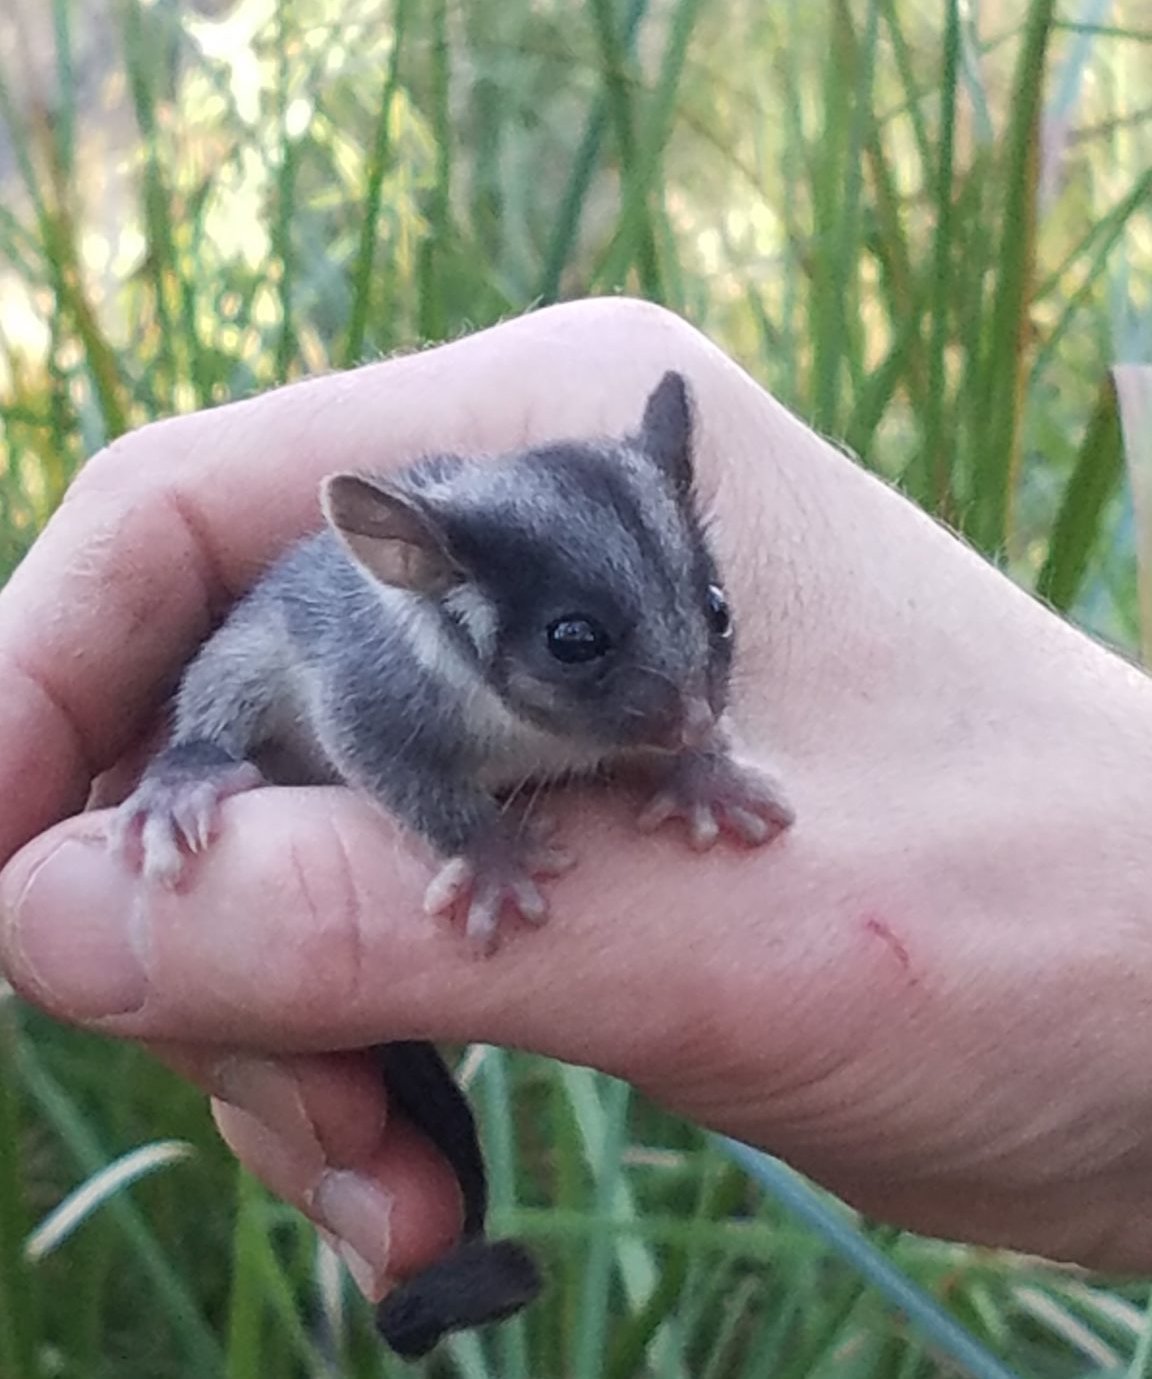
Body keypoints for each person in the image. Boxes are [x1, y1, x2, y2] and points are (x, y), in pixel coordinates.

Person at [1, 296, 1150, 1291]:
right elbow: (371, 736)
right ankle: (193, 758)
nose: (692, 705)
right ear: (433, 575)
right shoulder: (412, 656)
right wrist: (475, 840)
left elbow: (676, 693)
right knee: (243, 667)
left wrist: (696, 761)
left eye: (711, 617)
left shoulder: (642, 672)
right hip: (303, 703)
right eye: (579, 643)